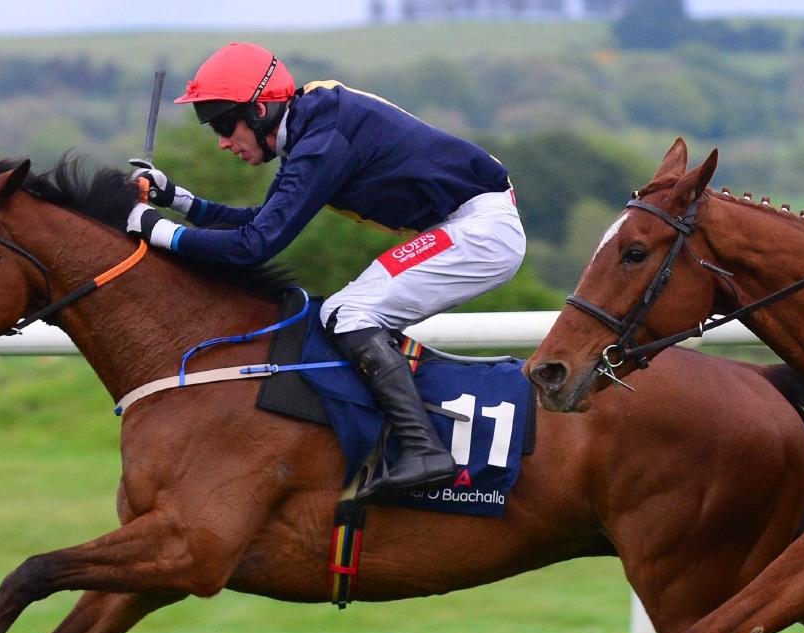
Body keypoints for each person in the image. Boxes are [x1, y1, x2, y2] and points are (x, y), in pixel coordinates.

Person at [126, 42, 526, 495]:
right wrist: (177, 201)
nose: (221, 143)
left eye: (223, 124)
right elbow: (262, 222)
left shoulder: (322, 140)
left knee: (346, 313)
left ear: (259, 110)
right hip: (466, 224)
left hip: (480, 232)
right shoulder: (313, 124)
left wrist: (154, 230)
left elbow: (254, 247)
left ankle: (423, 449)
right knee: (344, 311)